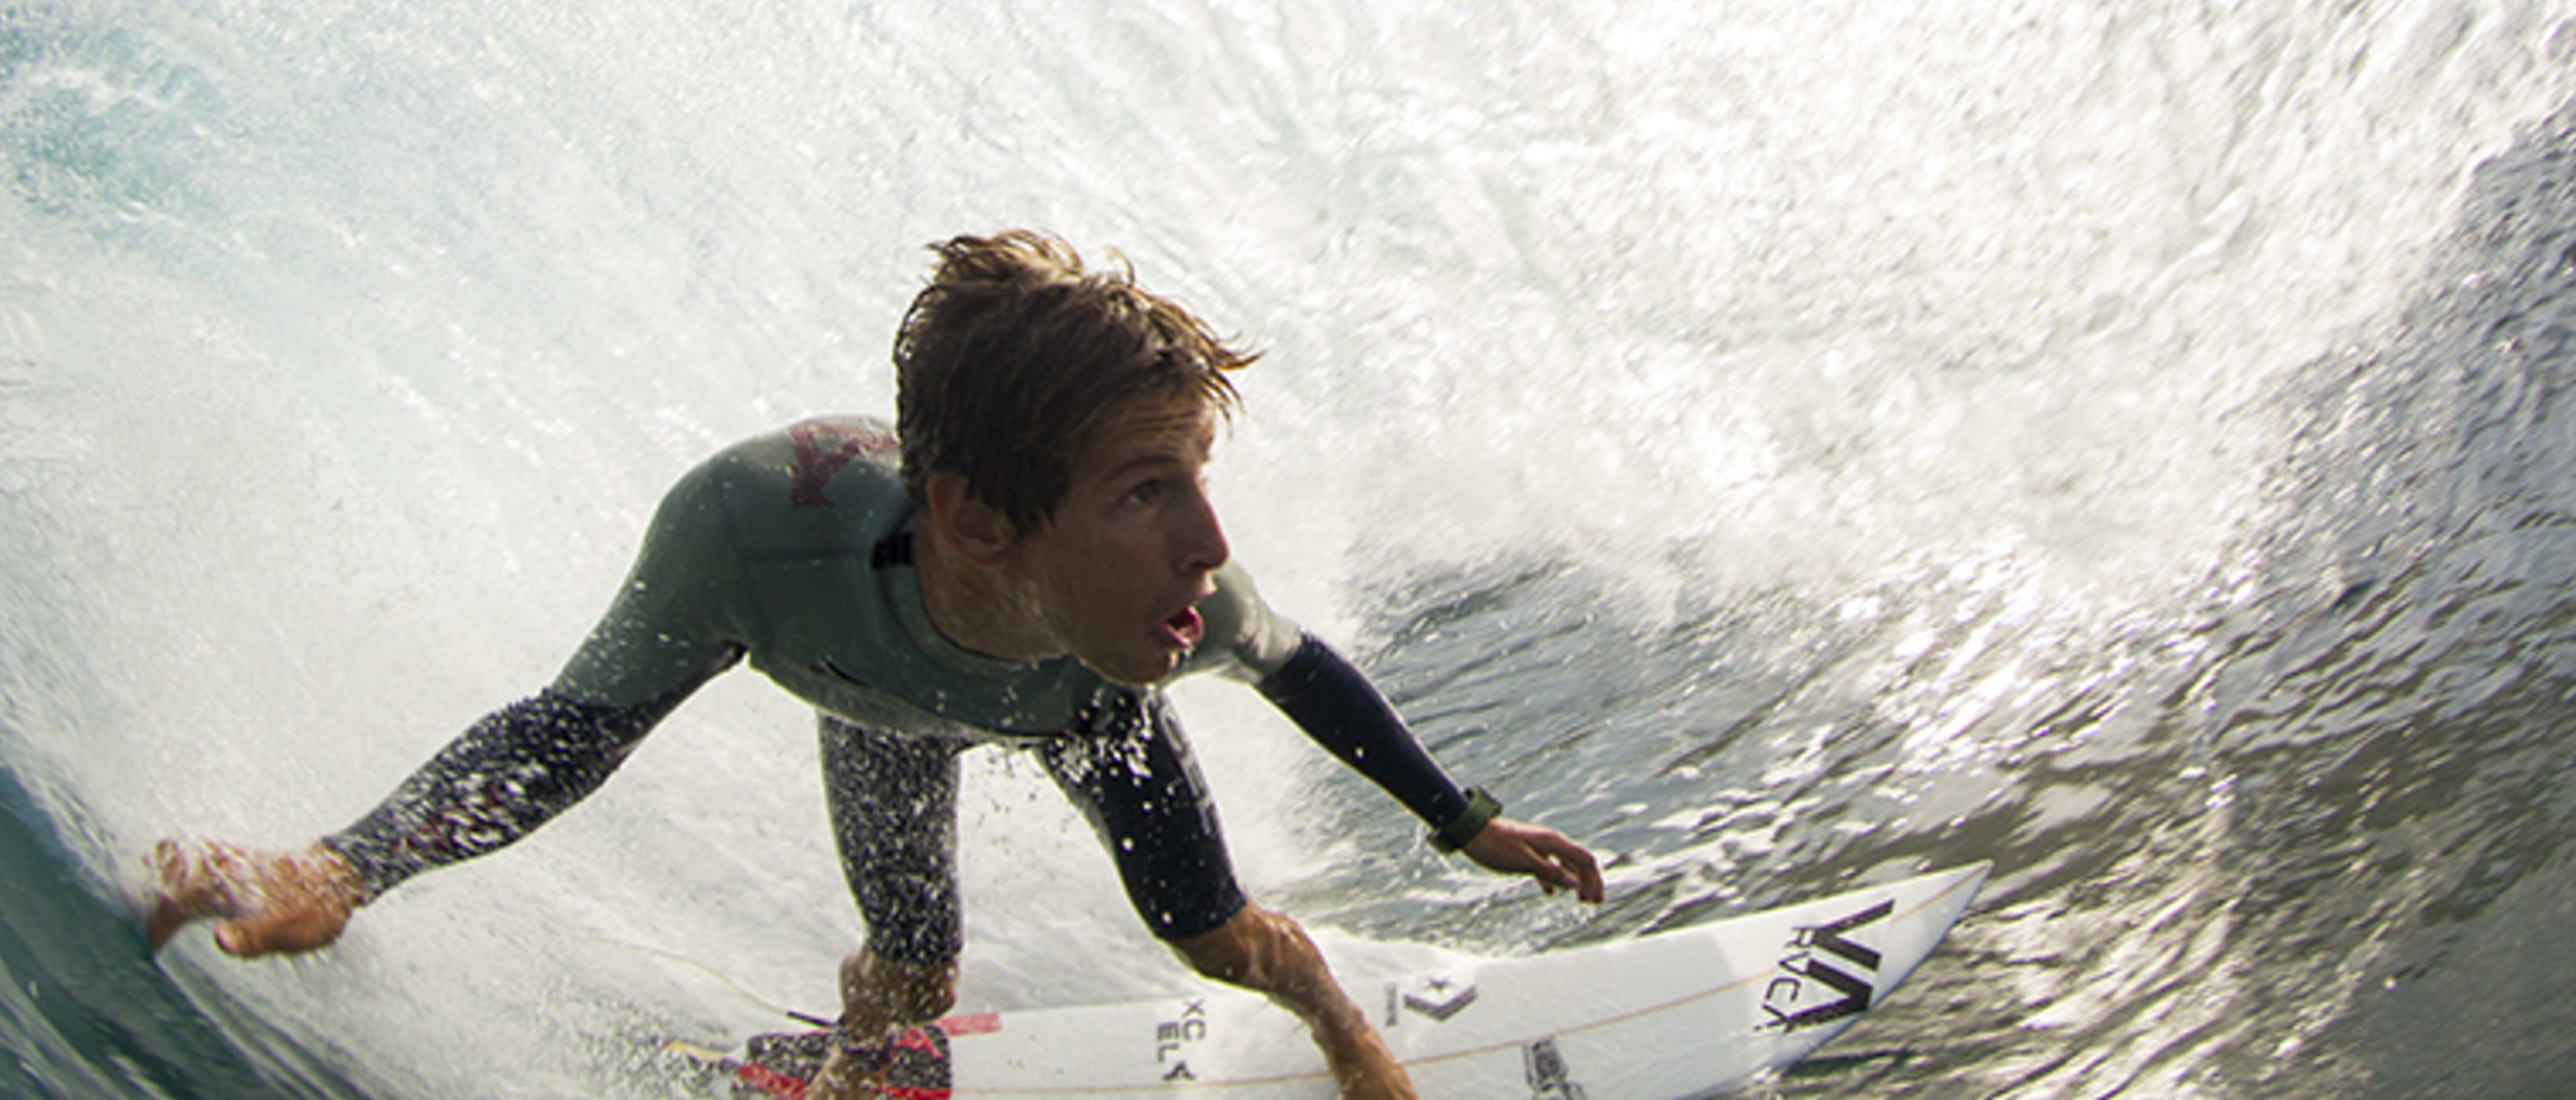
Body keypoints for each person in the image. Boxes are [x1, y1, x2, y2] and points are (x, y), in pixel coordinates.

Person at [142, 231, 1604, 1100]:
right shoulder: (746, 539)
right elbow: (567, 733)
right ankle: (855, 1075)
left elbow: (1301, 671)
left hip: (1074, 701)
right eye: (1146, 493)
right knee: (911, 976)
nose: (1209, 543)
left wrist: (1465, 821)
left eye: (1196, 483)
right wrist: (345, 870)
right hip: (880, 699)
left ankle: (1337, 1022)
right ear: (974, 519)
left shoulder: (1172, 613)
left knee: (1214, 940)